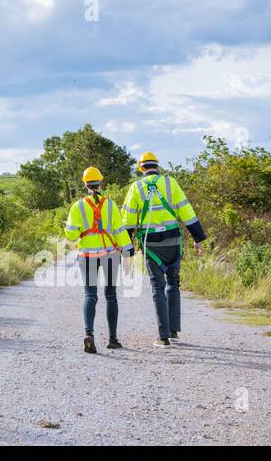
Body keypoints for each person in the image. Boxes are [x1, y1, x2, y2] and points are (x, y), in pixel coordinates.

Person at [122, 151, 206, 347]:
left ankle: (163, 337)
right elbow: (186, 210)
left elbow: (128, 221)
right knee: (173, 283)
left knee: (157, 287)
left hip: (151, 243)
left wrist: (127, 252)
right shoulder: (171, 183)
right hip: (173, 240)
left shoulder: (136, 187)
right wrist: (198, 238)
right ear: (157, 166)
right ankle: (174, 331)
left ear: (140, 168)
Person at [63, 166, 134, 353]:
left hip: (87, 256)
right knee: (111, 296)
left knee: (90, 295)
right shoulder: (111, 205)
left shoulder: (77, 207)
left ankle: (89, 334)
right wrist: (128, 255)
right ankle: (112, 339)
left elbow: (71, 235)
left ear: (85, 184)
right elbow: (120, 232)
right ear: (101, 182)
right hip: (110, 255)